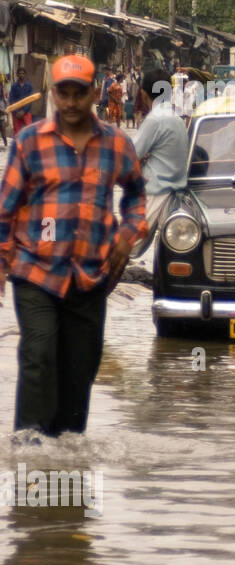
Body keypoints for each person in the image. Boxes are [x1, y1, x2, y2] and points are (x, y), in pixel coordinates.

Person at [0, 54, 147, 436]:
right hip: (36, 270)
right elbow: (6, 208)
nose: (70, 102)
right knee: (39, 354)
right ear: (53, 94)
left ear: (94, 93)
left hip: (90, 275)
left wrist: (127, 236)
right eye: (62, 94)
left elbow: (135, 193)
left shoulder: (116, 144)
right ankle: (28, 447)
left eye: (78, 94)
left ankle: (67, 454)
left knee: (80, 369)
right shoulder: (30, 142)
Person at [129, 68, 189, 258]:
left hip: (156, 189)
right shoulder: (176, 118)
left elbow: (131, 154)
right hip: (175, 189)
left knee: (127, 246)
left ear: (143, 94)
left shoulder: (155, 119)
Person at [8, 68, 35, 135]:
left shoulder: (29, 86)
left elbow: (30, 100)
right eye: (20, 73)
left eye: (23, 73)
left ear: (25, 74)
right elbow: (11, 99)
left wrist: (23, 111)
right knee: (17, 132)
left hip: (26, 112)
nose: (21, 75)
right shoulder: (14, 86)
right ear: (17, 74)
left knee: (29, 131)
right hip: (16, 113)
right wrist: (16, 112)